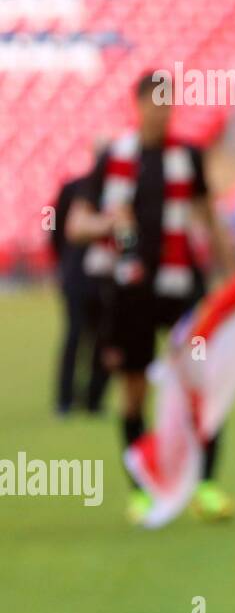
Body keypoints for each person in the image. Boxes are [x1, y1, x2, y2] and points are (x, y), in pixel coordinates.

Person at [67, 73, 235, 524]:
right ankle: (143, 490)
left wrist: (233, 275)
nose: (162, 111)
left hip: (184, 289)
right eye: (155, 102)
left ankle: (205, 485)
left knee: (199, 384)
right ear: (138, 104)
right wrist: (108, 224)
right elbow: (76, 225)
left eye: (169, 103)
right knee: (133, 388)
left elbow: (210, 219)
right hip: (129, 292)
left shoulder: (189, 157)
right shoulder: (114, 158)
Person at [50, 152, 110, 417]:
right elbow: (56, 231)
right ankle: (65, 400)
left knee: (105, 338)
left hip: (107, 277)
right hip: (76, 276)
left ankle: (93, 400)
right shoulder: (74, 188)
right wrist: (64, 264)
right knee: (75, 335)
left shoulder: (120, 192)